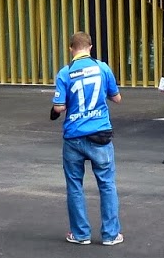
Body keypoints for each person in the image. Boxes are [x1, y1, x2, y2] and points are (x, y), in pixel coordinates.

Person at [52, 31, 122, 245]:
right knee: (107, 184)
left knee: (74, 185)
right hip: (100, 134)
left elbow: (59, 107)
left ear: (71, 49)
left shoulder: (65, 73)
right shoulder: (102, 68)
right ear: (90, 47)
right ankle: (110, 235)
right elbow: (117, 98)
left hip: (74, 136)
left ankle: (80, 234)